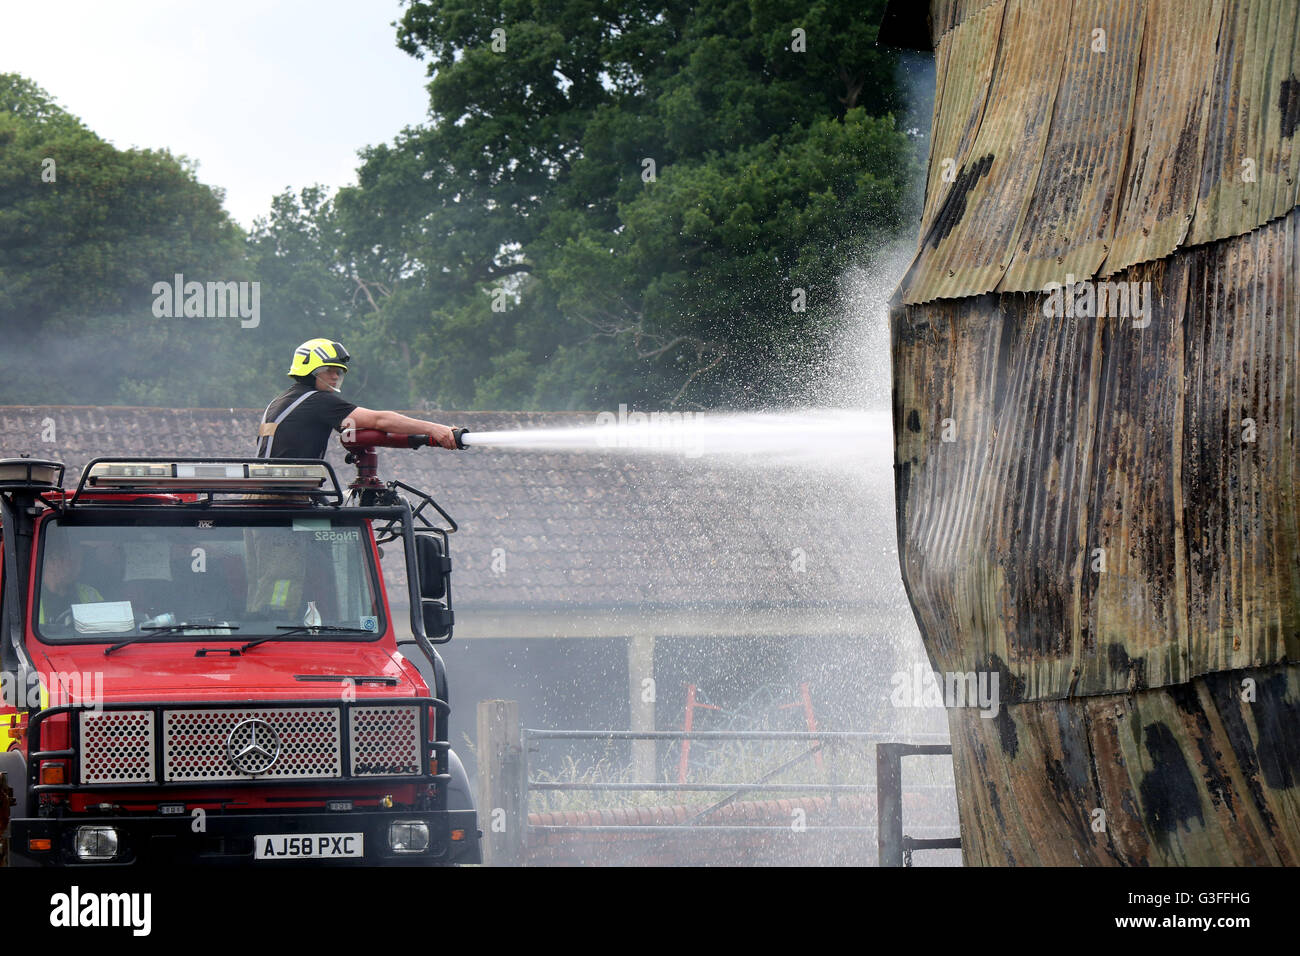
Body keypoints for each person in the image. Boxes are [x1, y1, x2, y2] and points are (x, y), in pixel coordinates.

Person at [255, 338, 459, 459]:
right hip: (291, 497)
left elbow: (362, 432)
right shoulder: (318, 401)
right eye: (330, 371)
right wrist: (434, 429)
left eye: (339, 372)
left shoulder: (281, 401)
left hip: (268, 492)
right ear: (310, 371)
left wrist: (421, 440)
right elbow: (380, 420)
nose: (335, 377)